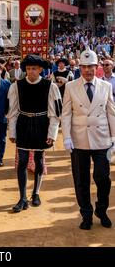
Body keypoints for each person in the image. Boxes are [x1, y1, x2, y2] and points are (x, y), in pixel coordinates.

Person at [62, 48, 115, 230]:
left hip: (101, 139)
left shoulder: (106, 86)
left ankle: (101, 209)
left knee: (103, 177)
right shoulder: (70, 86)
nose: (87, 70)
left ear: (96, 66)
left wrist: (114, 137)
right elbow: (66, 113)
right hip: (79, 139)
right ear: (80, 67)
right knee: (81, 179)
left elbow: (111, 113)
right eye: (84, 67)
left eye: (91, 66)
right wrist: (67, 137)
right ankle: (86, 214)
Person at [7, 54, 62, 213]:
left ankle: (36, 192)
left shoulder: (50, 86)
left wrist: (52, 134)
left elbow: (55, 113)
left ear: (40, 70)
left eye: (34, 69)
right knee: (22, 160)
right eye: (28, 68)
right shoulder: (16, 86)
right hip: (23, 124)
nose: (31, 72)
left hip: (41, 124)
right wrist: (12, 130)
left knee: (39, 159)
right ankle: (22, 197)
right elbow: (12, 111)